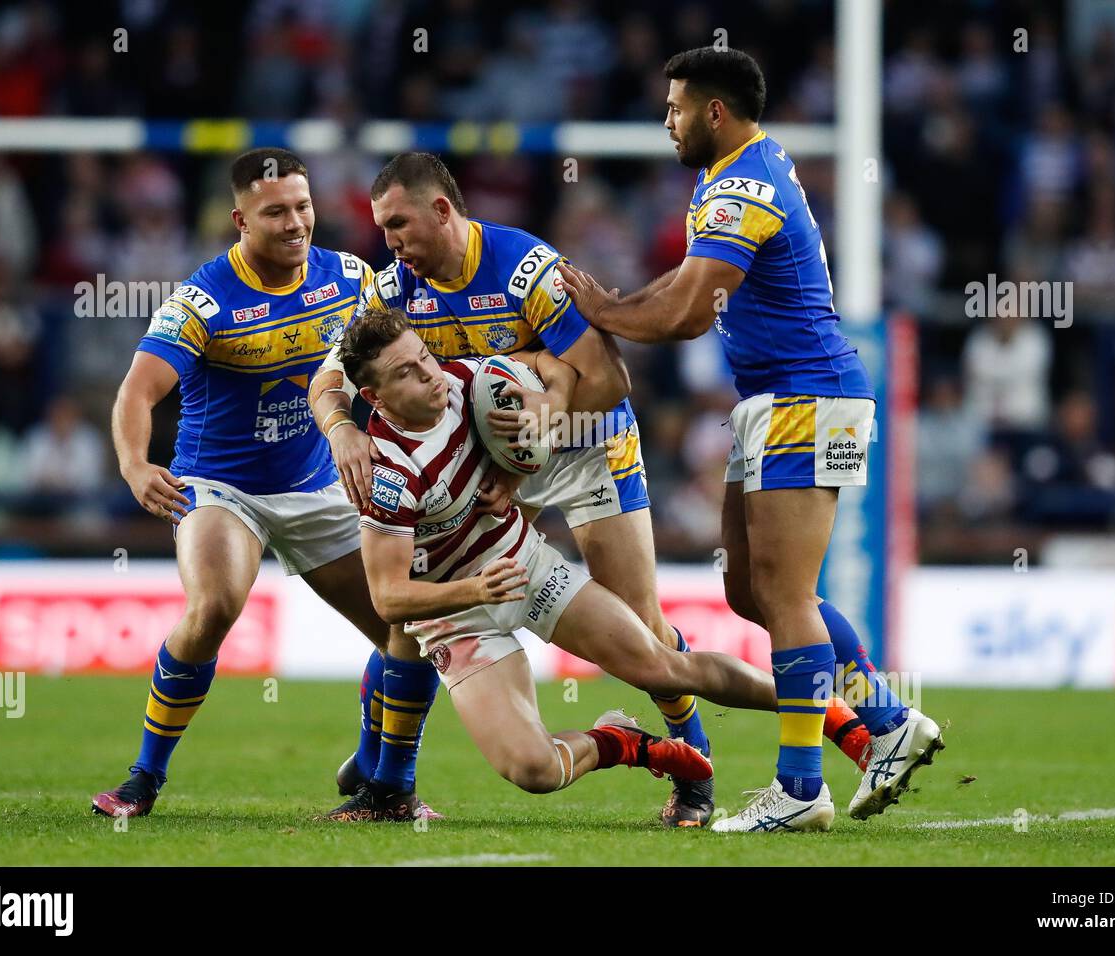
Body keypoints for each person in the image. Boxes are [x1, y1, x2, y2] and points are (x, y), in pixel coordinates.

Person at [309, 152, 871, 827]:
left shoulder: (524, 269)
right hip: (493, 466)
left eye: (398, 224)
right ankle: (385, 781)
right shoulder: (392, 293)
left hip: (587, 448)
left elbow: (609, 378)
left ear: (441, 210)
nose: (389, 242)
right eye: (381, 229)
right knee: (405, 626)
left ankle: (704, 765)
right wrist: (342, 428)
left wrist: (544, 414)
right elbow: (332, 377)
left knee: (648, 635)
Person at [558, 48, 944, 831]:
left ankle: (801, 788)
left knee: (788, 595)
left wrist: (605, 315)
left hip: (808, 394)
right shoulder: (735, 174)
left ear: (713, 111)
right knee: (749, 591)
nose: (664, 122)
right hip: (777, 399)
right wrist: (620, 303)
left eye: (673, 109)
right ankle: (890, 717)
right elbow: (681, 287)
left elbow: (688, 314)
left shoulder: (741, 186)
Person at [340, 307, 801, 814]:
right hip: (458, 619)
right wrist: (476, 590)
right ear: (374, 398)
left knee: (665, 666)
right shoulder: (384, 473)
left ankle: (828, 711)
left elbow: (551, 361)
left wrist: (549, 399)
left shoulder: (468, 380)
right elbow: (388, 600)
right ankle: (620, 742)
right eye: (406, 372)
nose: (431, 374)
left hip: (529, 567)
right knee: (535, 772)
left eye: (424, 357)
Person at [91, 148, 438, 821]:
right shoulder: (203, 298)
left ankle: (380, 778)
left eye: (302, 206)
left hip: (316, 481)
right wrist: (135, 464)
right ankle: (143, 777)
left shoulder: (350, 278)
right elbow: (138, 390)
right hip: (221, 487)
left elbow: (404, 362)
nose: (294, 222)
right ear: (239, 220)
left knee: (411, 623)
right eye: (275, 211)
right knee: (216, 605)